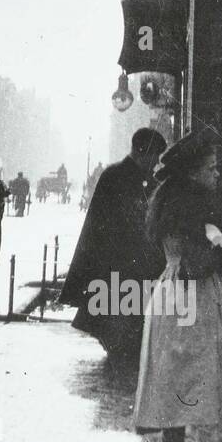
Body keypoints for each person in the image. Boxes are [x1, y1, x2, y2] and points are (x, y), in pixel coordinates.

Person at [133, 130, 222, 442]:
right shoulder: (196, 209)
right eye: (211, 168)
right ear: (194, 173)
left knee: (174, 369)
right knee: (192, 368)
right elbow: (199, 264)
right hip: (192, 296)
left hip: (170, 291)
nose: (217, 173)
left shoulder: (169, 204)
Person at [60, 128, 167, 359]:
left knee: (122, 321)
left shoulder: (130, 175)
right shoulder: (118, 176)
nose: (156, 163)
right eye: (154, 157)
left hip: (126, 265)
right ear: (142, 152)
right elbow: (124, 223)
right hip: (116, 264)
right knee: (118, 322)